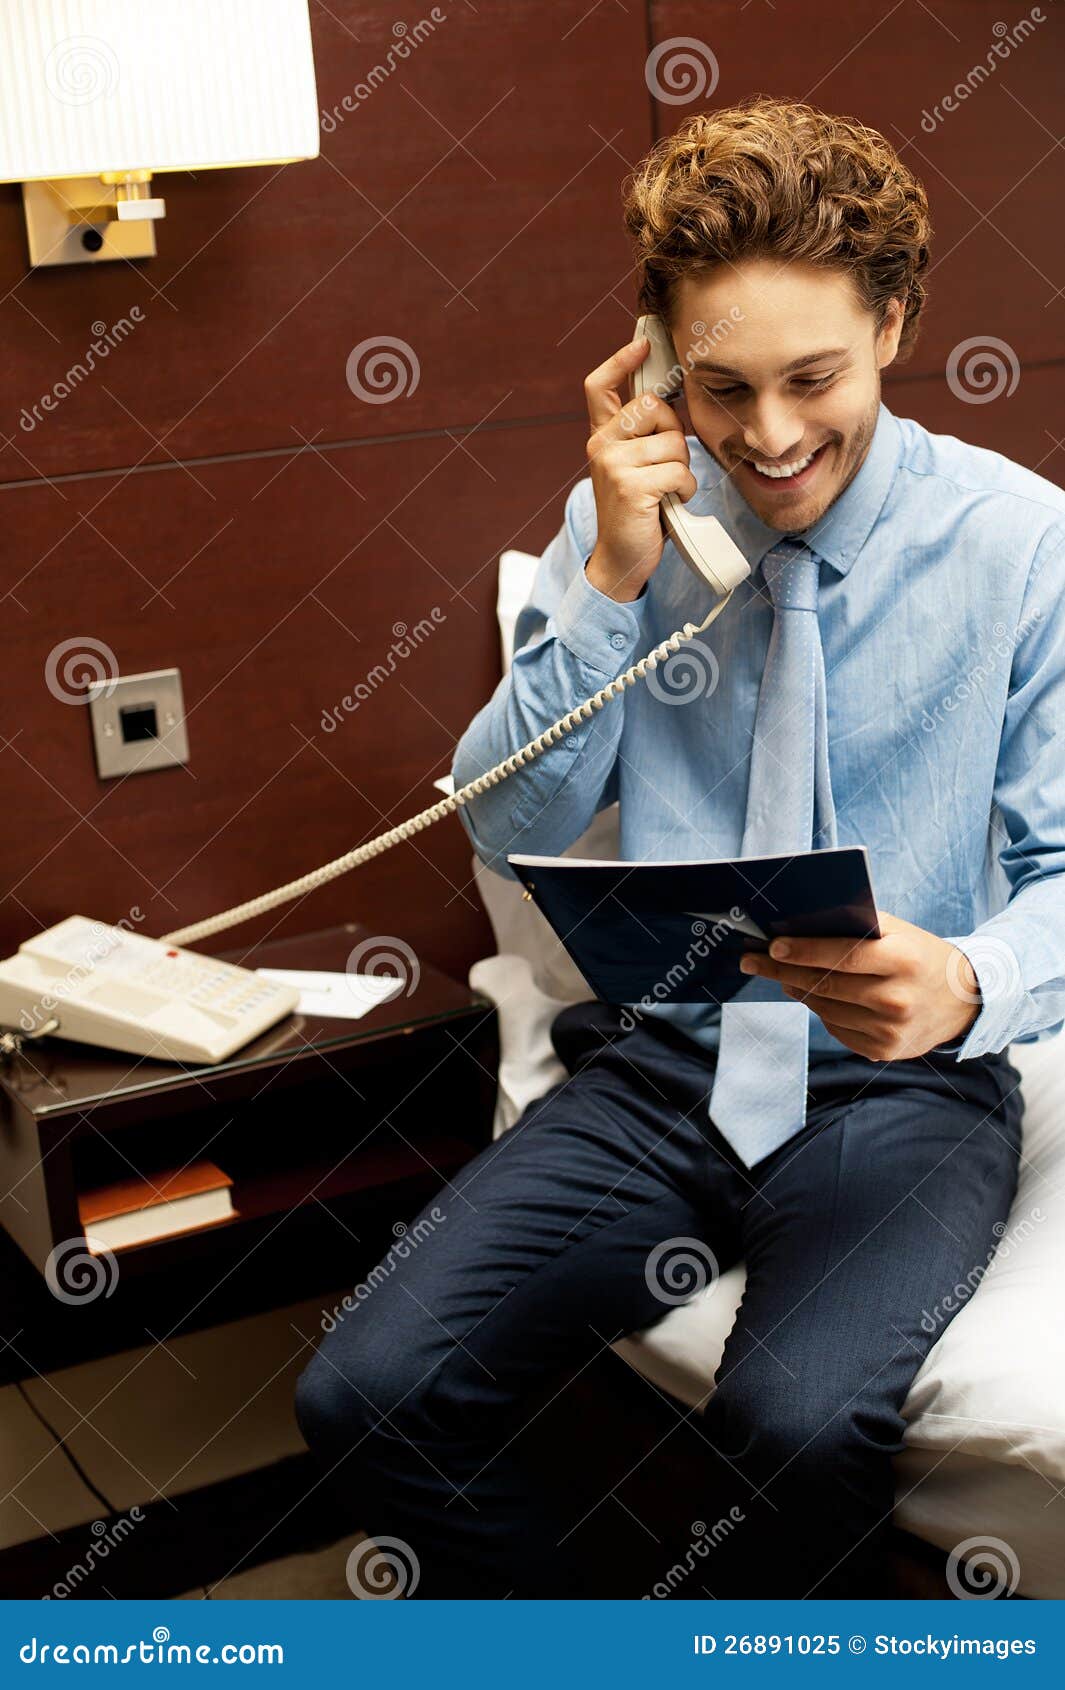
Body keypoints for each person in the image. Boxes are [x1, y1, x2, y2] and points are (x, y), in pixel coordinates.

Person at [296, 96, 1065, 1598]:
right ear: (651, 367)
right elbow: (508, 827)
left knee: (791, 1421)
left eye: (812, 379)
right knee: (362, 1386)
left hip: (899, 1099)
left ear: (896, 323)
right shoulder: (632, 537)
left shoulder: (1022, 546)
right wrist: (607, 576)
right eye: (719, 387)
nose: (769, 438)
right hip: (661, 1069)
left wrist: (968, 981)